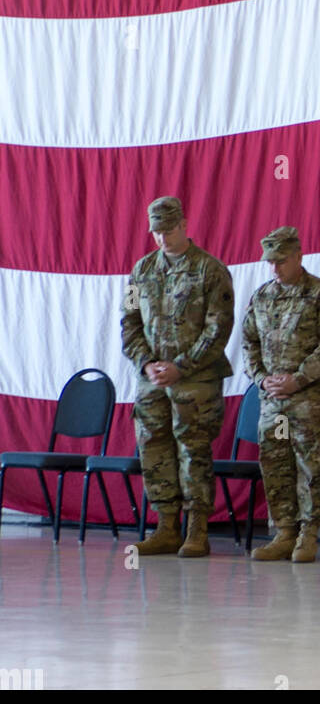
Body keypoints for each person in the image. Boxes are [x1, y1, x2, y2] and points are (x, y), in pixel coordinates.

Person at [120, 196, 234, 558]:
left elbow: (218, 329)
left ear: (184, 224)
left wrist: (181, 366)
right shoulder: (141, 271)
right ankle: (166, 525)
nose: (162, 239)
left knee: (193, 450)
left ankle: (197, 529)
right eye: (156, 232)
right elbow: (129, 323)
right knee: (154, 448)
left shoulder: (210, 270)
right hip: (152, 380)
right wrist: (146, 363)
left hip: (195, 380)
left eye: (168, 230)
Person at [242, 226, 320, 563]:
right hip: (272, 399)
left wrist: (298, 379)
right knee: (275, 464)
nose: (275, 268)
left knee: (310, 466)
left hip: (309, 399)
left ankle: (308, 533)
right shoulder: (261, 296)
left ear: (299, 256)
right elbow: (249, 343)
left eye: (282, 261)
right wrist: (261, 379)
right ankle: (284, 531)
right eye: (270, 262)